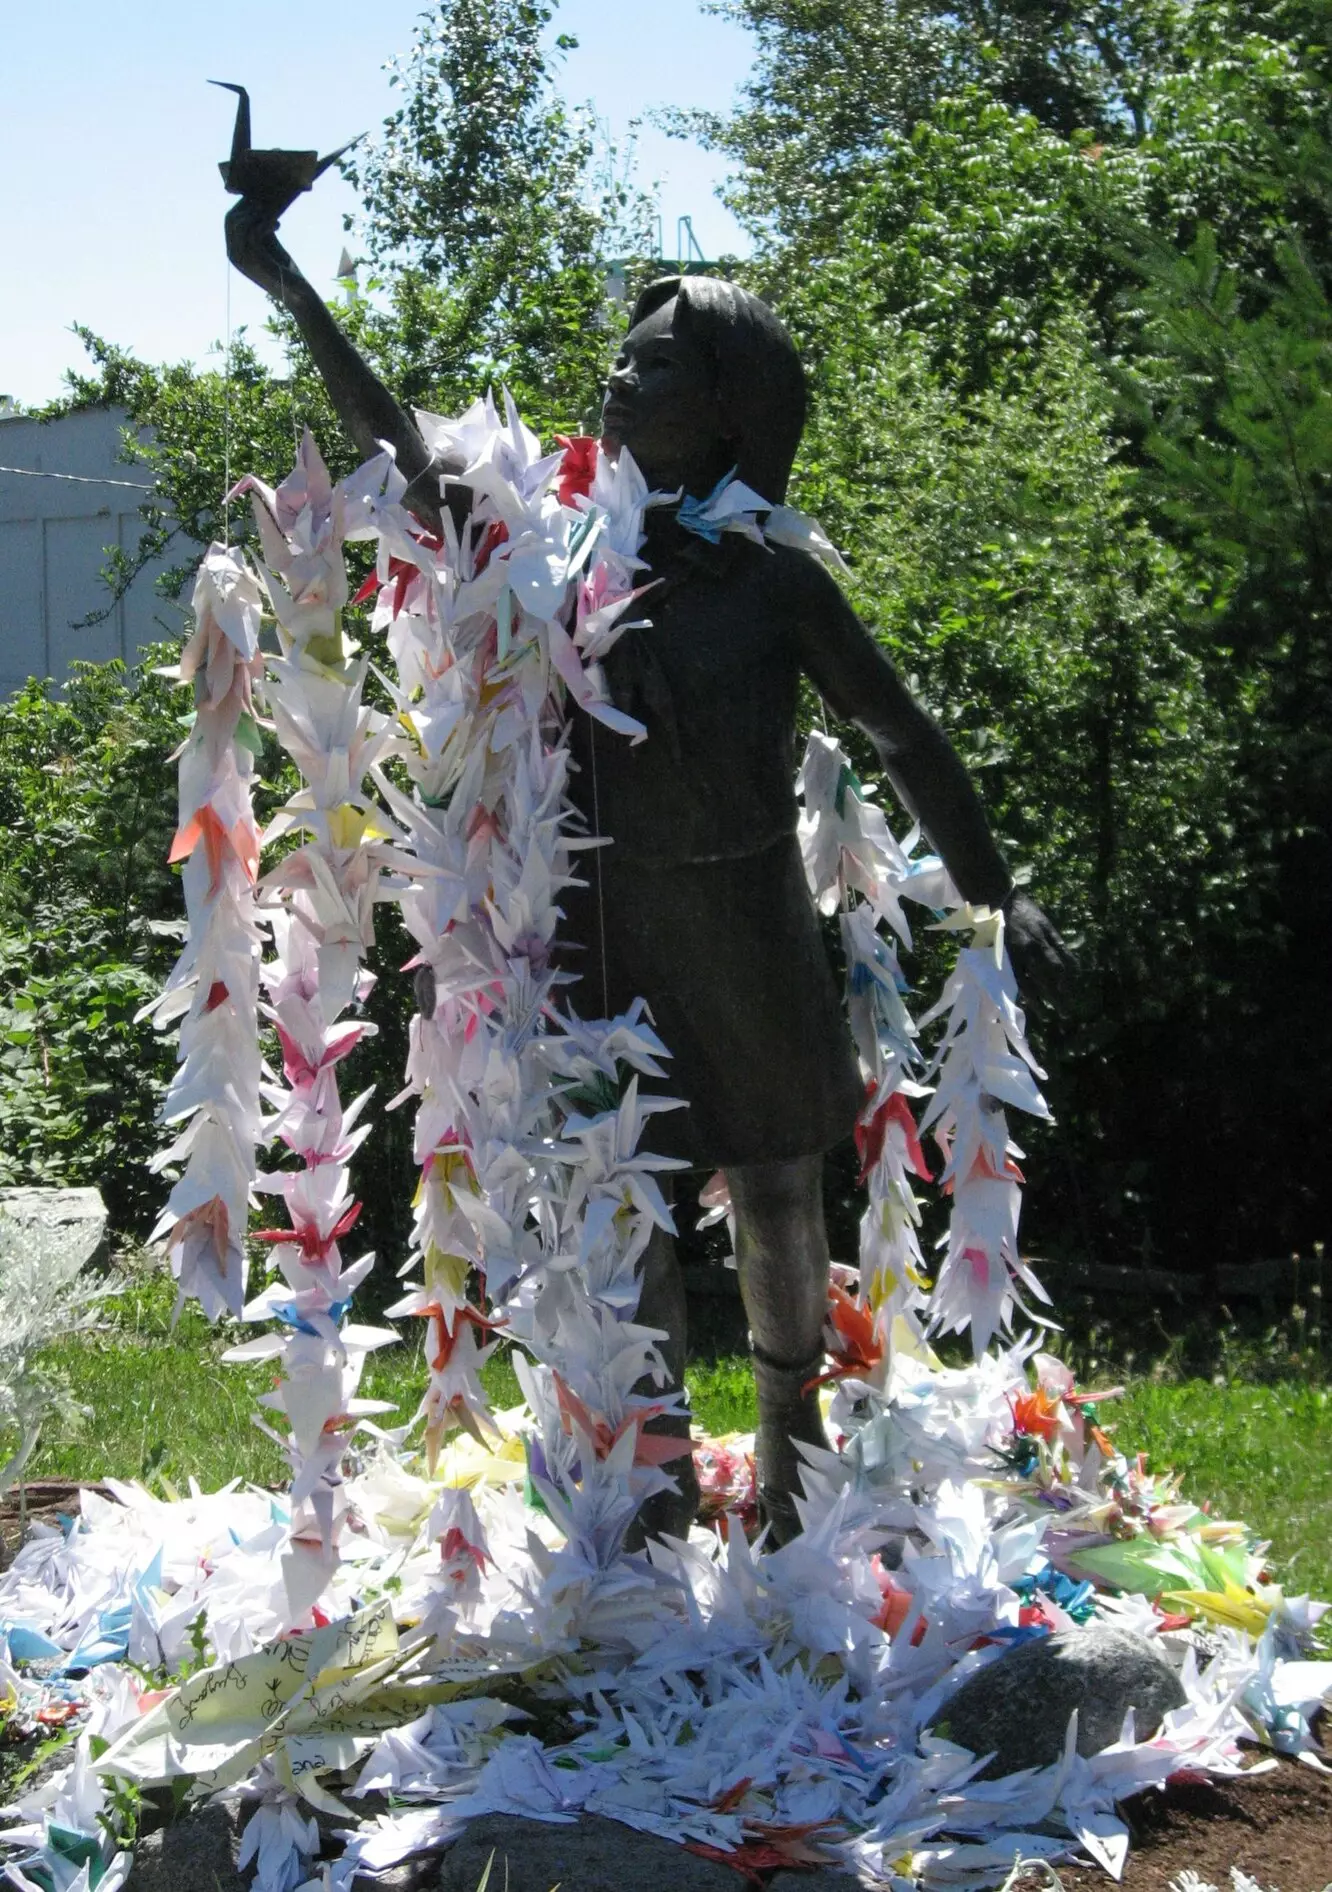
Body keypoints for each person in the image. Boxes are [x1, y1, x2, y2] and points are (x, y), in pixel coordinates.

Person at [225, 194, 1073, 1543]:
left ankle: (795, 1440)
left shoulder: (772, 576)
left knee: (785, 1180)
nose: (622, 375)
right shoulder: (544, 550)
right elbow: (399, 441)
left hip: (746, 917)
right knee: (625, 1201)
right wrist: (283, 277)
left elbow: (897, 730)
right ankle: (656, 1467)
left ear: (732, 407)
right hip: (601, 923)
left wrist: (989, 883)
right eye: (623, 357)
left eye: (660, 361)